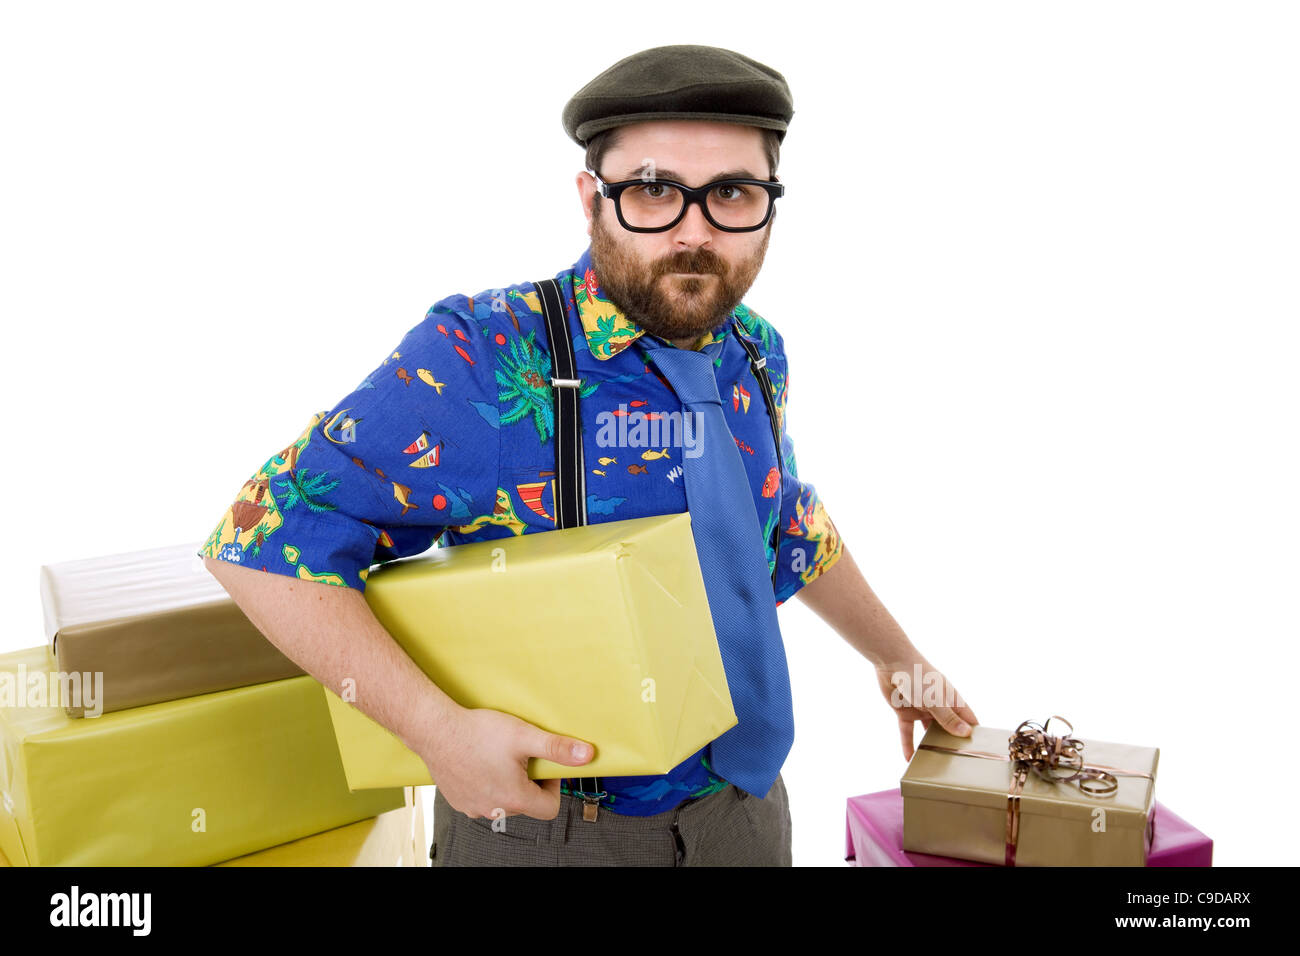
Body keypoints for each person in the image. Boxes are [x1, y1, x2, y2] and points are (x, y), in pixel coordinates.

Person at [201, 44, 979, 867]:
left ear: (770, 206)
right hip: (553, 832)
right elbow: (260, 541)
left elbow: (783, 518)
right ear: (591, 199)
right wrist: (437, 734)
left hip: (747, 816)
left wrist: (901, 663)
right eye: (651, 190)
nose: (693, 232)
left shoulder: (755, 351)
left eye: (731, 194)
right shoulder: (485, 354)